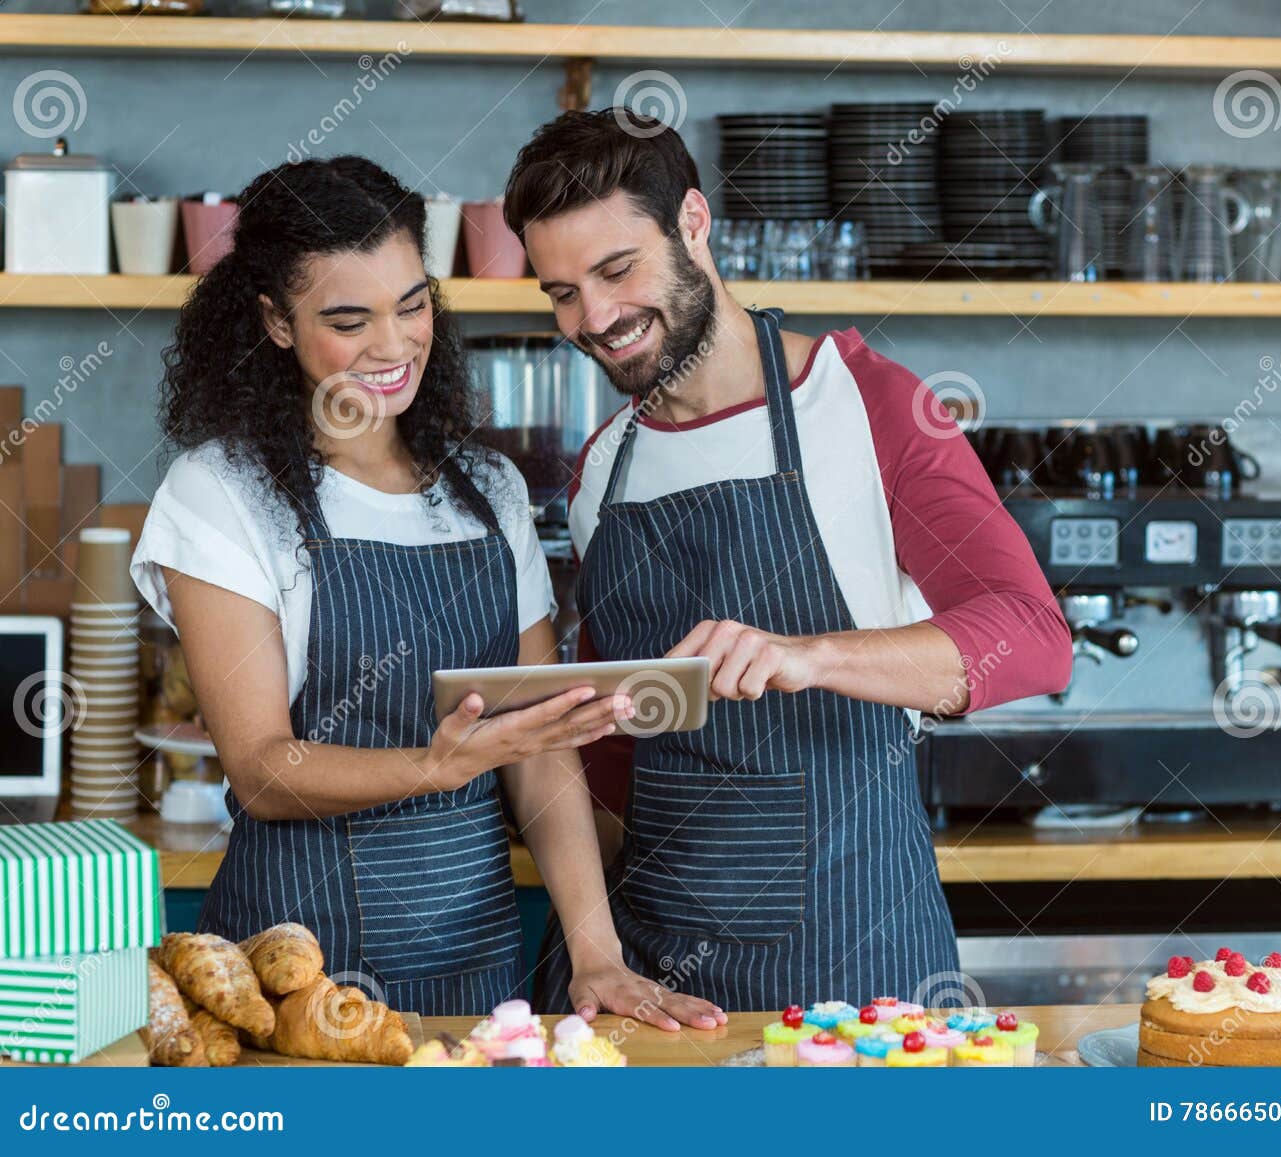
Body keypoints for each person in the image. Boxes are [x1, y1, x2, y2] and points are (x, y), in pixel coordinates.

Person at [502, 110, 1075, 1013]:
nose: (596, 319)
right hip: (647, 968)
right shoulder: (604, 466)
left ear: (694, 222)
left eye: (617, 271)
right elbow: (611, 744)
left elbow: (1033, 637)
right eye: (561, 292)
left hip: (850, 962)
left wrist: (811, 655)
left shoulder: (867, 403)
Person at [132, 155, 724, 1028]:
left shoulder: (486, 488)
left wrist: (597, 953)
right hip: (297, 985)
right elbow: (261, 768)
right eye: (348, 319)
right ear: (275, 322)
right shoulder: (220, 492)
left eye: (412, 304)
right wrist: (436, 766)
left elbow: (542, 744)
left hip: (480, 984)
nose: (393, 344)